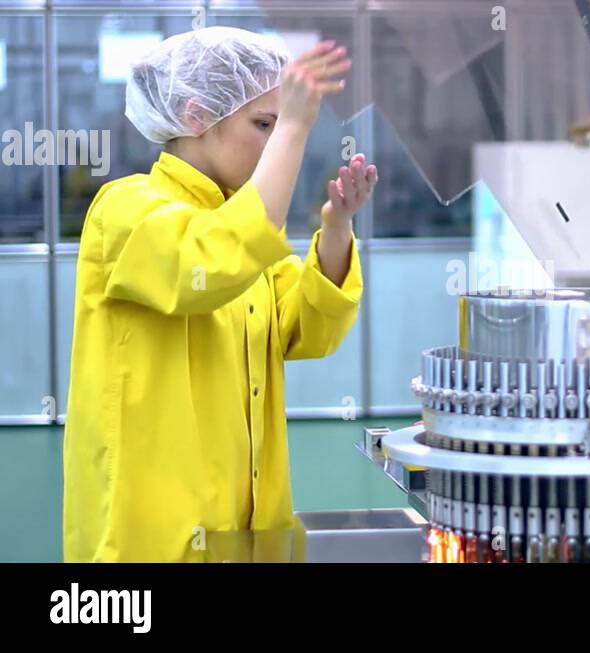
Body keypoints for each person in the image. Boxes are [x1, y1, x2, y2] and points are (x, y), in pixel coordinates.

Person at [62, 26, 376, 562]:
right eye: (263, 125)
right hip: (153, 544)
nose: (275, 142)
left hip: (249, 534)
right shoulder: (126, 210)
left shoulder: (241, 229)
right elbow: (206, 263)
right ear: (194, 116)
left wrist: (338, 230)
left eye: (278, 127)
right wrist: (296, 128)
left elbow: (305, 331)